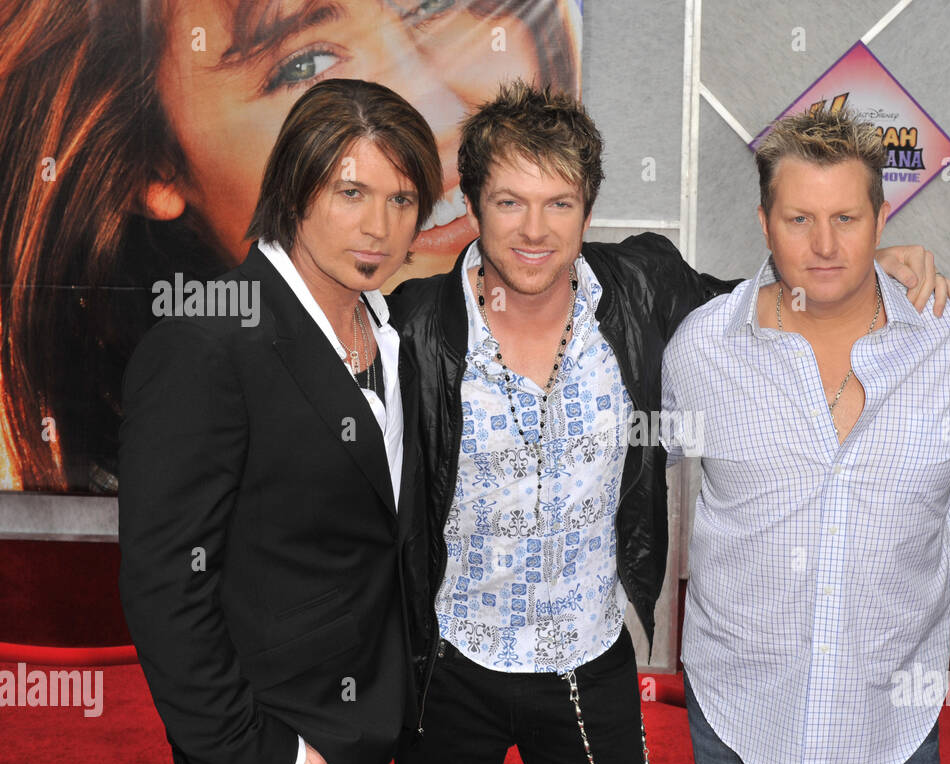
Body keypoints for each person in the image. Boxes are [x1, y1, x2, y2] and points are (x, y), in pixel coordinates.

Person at [388, 81, 950, 764]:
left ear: (588, 210)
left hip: (589, 663)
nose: (533, 229)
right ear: (474, 204)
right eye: (510, 201)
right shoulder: (413, 325)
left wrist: (865, 271)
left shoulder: (643, 291)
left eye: (559, 203)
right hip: (449, 669)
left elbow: (758, 307)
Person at [0, 0, 578, 492]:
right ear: (154, 161)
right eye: (304, 64)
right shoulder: (196, 433)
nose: (442, 118)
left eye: (433, 4)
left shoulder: (626, 321)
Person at [661, 111, 950, 764]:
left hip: (887, 718)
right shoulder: (703, 349)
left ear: (882, 216)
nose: (823, 245)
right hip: (739, 708)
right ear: (763, 222)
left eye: (847, 217)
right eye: (798, 218)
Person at [118, 78, 440, 764]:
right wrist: (257, 758)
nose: (379, 227)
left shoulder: (392, 333)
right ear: (294, 190)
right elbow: (164, 582)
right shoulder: (210, 339)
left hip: (361, 742)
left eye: (402, 200)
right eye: (351, 192)